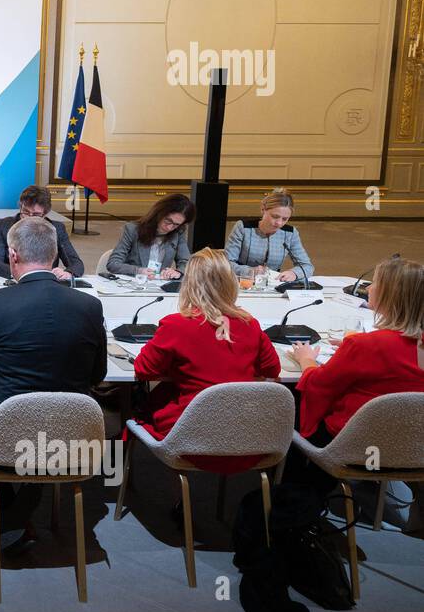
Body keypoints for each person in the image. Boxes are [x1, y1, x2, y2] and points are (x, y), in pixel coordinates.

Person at [0, 217, 107, 549]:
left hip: (1, 432)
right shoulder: (90, 307)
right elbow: (97, 375)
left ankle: (11, 513)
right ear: (54, 255)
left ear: (12, 255)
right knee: (41, 446)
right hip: (68, 435)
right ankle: (22, 510)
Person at [132, 248, 281, 472]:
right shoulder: (250, 323)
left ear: (189, 284)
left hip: (191, 437)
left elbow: (143, 370)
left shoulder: (176, 325)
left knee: (143, 402)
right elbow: (272, 369)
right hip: (244, 437)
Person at [291, 256, 424, 445]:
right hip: (412, 445)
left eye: (375, 283)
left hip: (355, 443)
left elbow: (317, 385)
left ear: (390, 293)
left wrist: (306, 359)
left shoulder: (365, 345)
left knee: (288, 403)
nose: (368, 288)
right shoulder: (367, 344)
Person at [0, 185, 84, 280]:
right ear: (20, 206)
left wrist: (68, 273)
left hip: (45, 284)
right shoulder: (4, 225)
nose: (30, 218)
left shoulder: (57, 229)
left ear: (45, 214)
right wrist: (23, 275)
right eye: (25, 212)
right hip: (14, 283)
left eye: (36, 214)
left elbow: (76, 263)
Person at [225, 188, 314, 283]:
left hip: (272, 286)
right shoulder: (243, 228)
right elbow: (226, 263)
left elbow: (307, 266)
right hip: (241, 282)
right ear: (263, 209)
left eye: (285, 219)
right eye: (275, 216)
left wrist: (294, 273)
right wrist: (249, 271)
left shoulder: (290, 233)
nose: (279, 223)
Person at [106, 193, 196, 280]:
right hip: (133, 283)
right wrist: (138, 271)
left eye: (176, 224)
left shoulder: (178, 233)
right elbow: (113, 263)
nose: (169, 227)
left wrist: (178, 272)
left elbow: (186, 262)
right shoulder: (133, 229)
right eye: (168, 221)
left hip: (159, 285)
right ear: (159, 213)